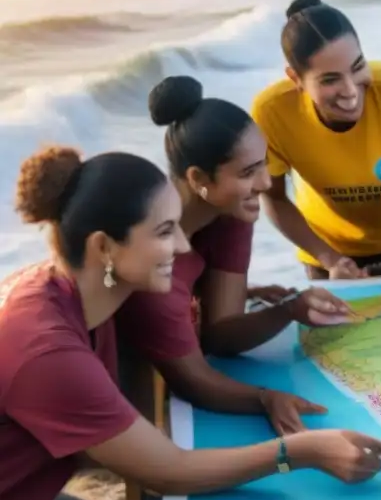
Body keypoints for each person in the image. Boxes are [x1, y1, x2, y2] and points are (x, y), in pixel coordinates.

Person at [0, 146, 381, 500]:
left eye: (179, 227)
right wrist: (303, 452)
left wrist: (251, 297)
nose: (181, 247)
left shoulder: (73, 290)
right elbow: (168, 472)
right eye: (163, 232)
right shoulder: (46, 350)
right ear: (104, 247)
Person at [117, 75, 353, 438]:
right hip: (110, 400)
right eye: (248, 172)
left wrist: (289, 308)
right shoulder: (155, 264)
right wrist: (266, 398)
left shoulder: (229, 210)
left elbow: (220, 335)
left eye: (264, 164)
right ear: (198, 178)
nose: (264, 183)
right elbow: (192, 381)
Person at [254, 0, 381, 279]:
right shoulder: (271, 113)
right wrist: (329, 259)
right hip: (328, 253)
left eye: (358, 66)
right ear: (295, 78)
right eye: (329, 80)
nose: (350, 90)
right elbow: (273, 196)